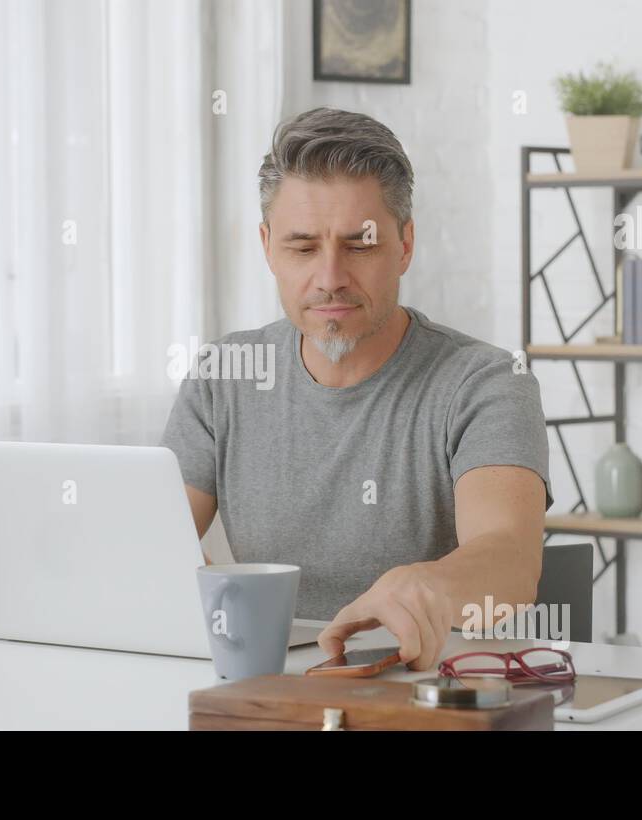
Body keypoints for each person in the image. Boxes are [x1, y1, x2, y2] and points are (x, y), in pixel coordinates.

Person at [161, 107, 552, 672]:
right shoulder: (225, 374)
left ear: (406, 245)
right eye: (302, 248)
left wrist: (427, 586)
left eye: (360, 245)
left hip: (420, 693)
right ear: (268, 247)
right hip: (265, 685)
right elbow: (157, 534)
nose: (329, 278)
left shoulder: (485, 382)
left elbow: (511, 565)